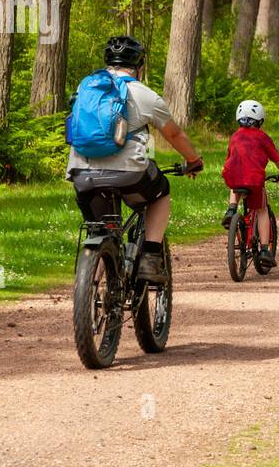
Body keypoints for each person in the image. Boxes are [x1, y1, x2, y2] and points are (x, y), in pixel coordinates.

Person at [67, 36, 204, 283]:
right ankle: (151, 257)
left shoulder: (85, 88)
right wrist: (193, 160)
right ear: (139, 66)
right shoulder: (145, 94)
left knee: (101, 229)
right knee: (161, 192)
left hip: (82, 174)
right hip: (129, 174)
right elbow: (174, 134)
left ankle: (91, 287)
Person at [221, 99, 279, 269]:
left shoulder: (234, 136)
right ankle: (263, 250)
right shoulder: (263, 138)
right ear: (260, 120)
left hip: (233, 176)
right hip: (254, 181)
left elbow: (230, 161)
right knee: (262, 211)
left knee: (234, 180)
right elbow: (278, 161)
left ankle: (232, 209)